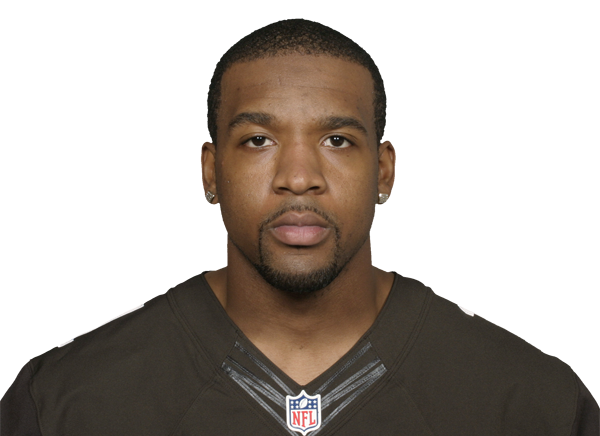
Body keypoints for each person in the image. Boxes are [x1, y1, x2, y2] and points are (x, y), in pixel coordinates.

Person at [2, 20, 598, 436]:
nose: (298, 177)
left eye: (336, 140)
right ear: (211, 169)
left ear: (384, 169)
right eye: (258, 140)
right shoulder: (66, 402)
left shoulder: (533, 402)